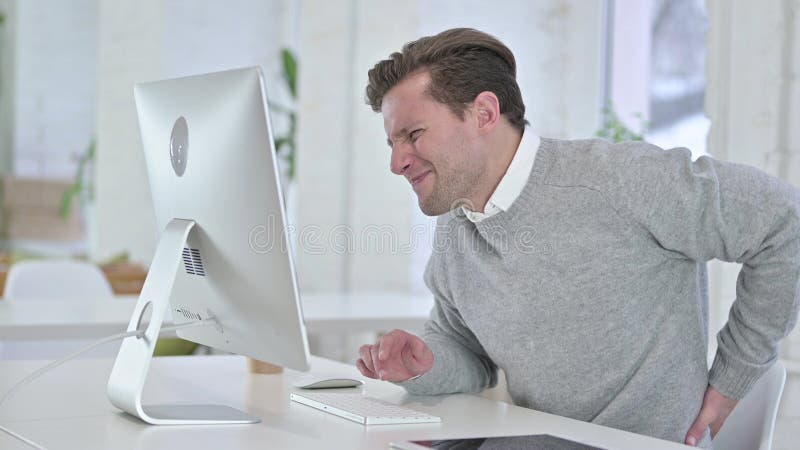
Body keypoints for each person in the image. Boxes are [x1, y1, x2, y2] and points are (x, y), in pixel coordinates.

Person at [355, 28, 800, 448]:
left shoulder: (619, 181)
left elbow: (785, 221)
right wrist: (425, 362)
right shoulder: (458, 225)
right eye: (392, 143)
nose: (397, 163)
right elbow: (466, 350)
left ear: (484, 114)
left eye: (413, 135)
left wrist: (732, 378)